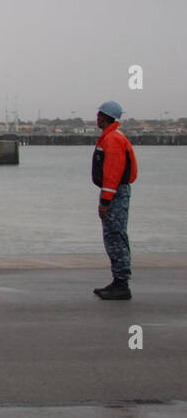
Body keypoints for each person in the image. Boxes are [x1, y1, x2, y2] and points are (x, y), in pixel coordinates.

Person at [92, 100, 138, 300]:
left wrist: (106, 202)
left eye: (99, 114)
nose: (97, 117)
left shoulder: (112, 140)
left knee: (115, 236)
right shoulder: (111, 137)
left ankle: (121, 283)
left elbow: (112, 173)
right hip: (115, 192)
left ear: (104, 116)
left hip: (115, 193)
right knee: (115, 235)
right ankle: (119, 280)